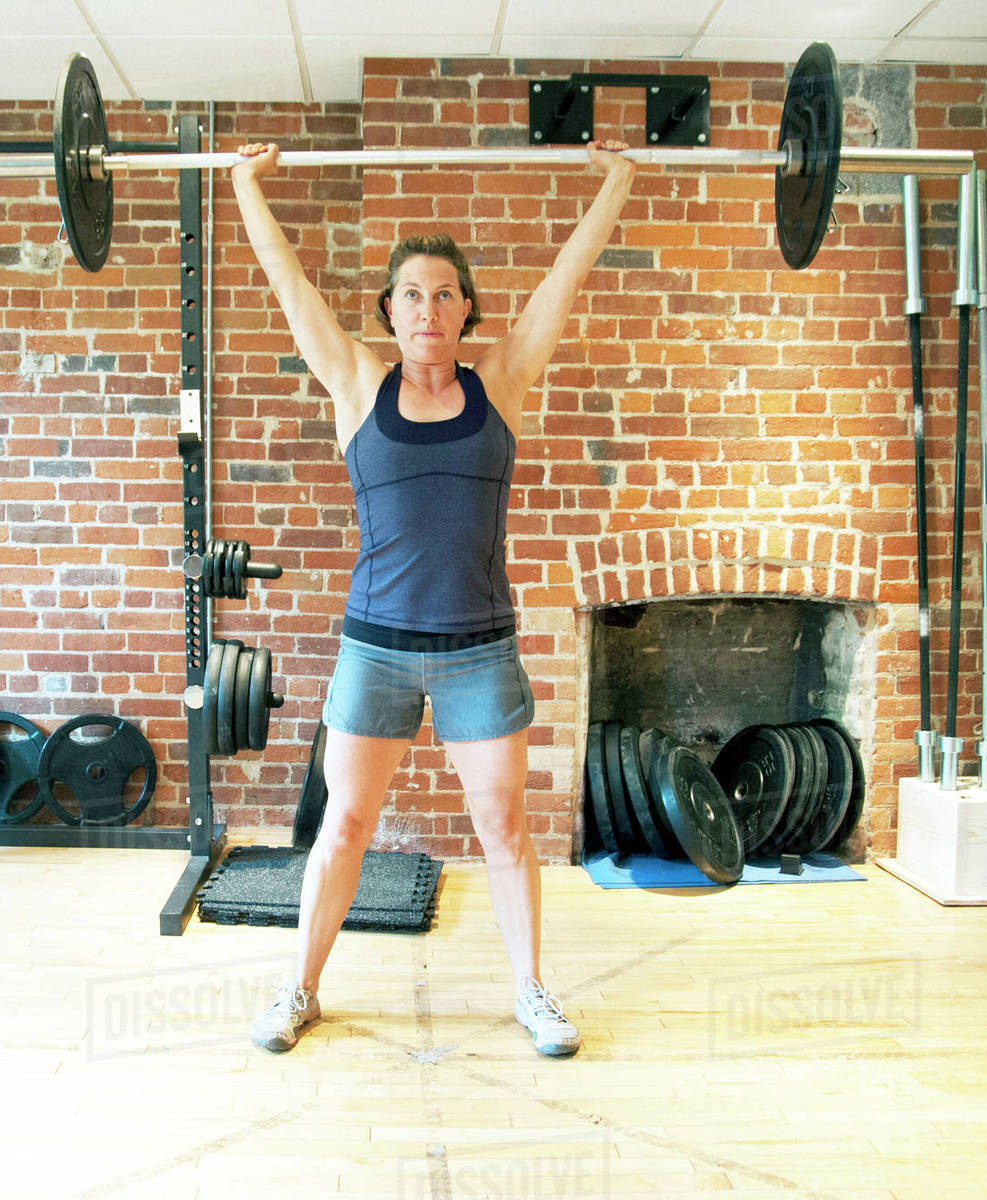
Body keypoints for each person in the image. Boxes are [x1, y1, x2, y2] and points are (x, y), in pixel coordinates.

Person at [232, 138, 635, 1056]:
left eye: (445, 293)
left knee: (502, 825)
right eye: (411, 292)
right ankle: (298, 990)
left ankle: (532, 993)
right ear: (389, 310)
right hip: (373, 649)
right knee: (347, 823)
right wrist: (244, 185)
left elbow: (564, 282)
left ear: (465, 313)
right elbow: (288, 285)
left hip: (478, 653)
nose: (428, 307)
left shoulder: (501, 384)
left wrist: (618, 180)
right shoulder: (354, 385)